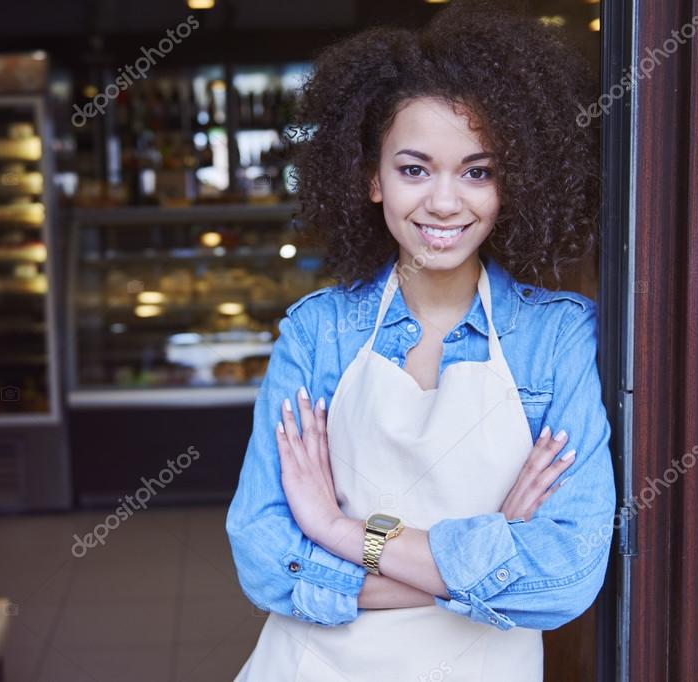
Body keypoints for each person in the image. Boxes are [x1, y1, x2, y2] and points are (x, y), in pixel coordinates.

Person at [225, 1, 616, 679]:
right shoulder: (318, 333)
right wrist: (486, 555)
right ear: (371, 178)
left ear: (511, 183)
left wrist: (340, 531)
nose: (442, 202)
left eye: (476, 171)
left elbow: (563, 579)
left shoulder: (555, 338)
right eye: (413, 169)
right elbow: (264, 564)